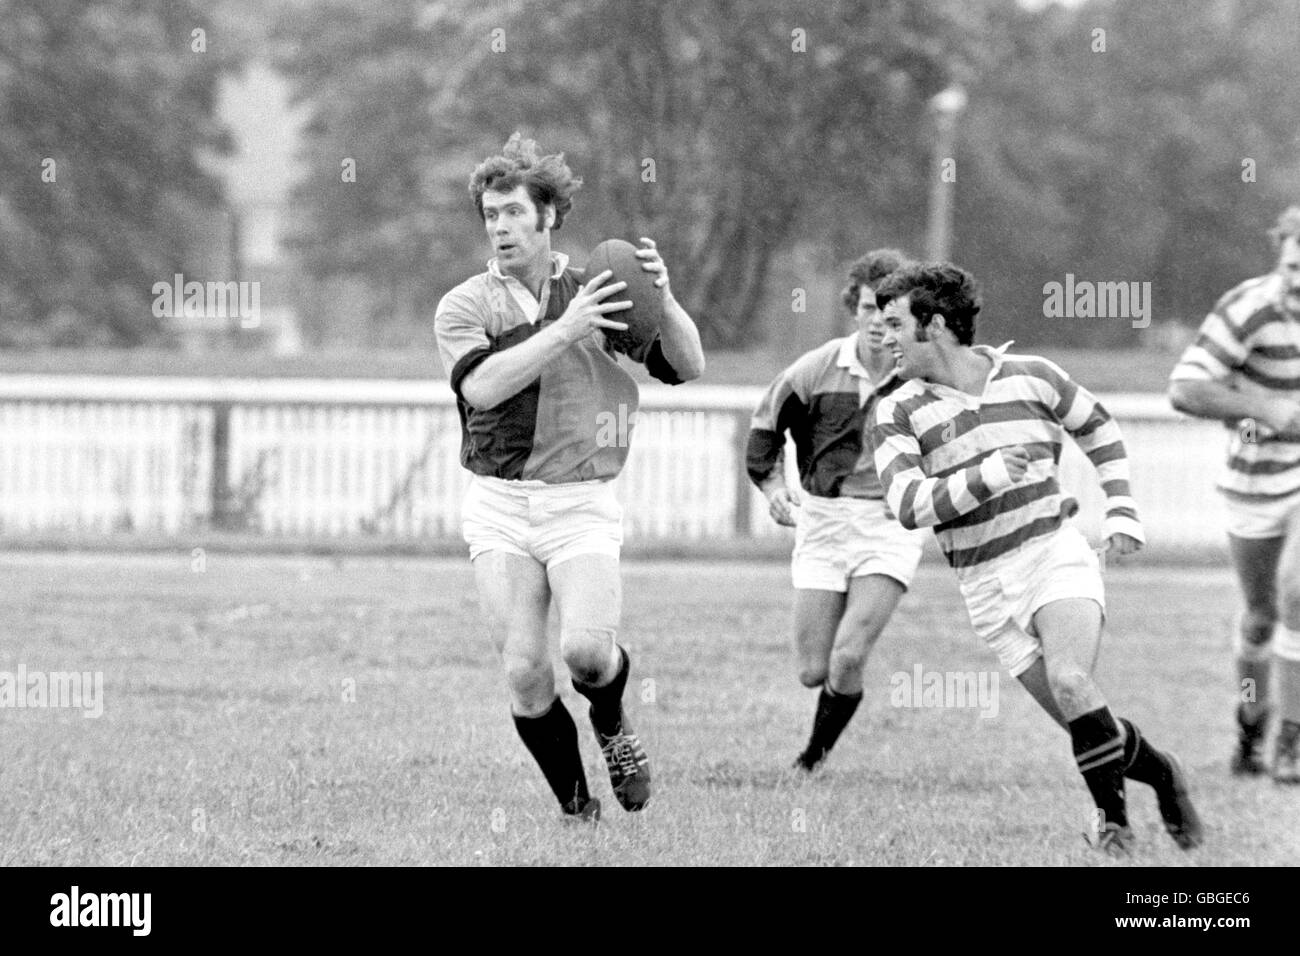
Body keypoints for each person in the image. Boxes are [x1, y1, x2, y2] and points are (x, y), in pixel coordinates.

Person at [868, 261, 1203, 853]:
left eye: (894, 323)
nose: (882, 336)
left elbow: (1098, 427)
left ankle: (1113, 829)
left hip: (1054, 552)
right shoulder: (895, 411)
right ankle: (1165, 774)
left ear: (935, 325)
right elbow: (909, 505)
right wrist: (989, 474)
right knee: (1088, 724)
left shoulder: (1033, 375)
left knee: (1073, 682)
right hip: (985, 586)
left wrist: (1122, 507)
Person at [434, 134, 705, 821]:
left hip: (581, 503)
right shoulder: (464, 306)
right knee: (525, 671)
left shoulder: (597, 289)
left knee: (585, 652)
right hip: (500, 506)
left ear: (548, 216)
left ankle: (612, 724)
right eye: (490, 214)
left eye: (514, 213)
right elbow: (486, 389)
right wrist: (565, 329)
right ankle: (578, 812)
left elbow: (686, 365)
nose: (499, 227)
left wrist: (664, 300)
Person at [747, 249, 925, 771]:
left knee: (848, 657)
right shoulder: (816, 368)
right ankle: (828, 722)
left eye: (891, 314)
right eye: (870, 308)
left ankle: (811, 760)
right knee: (812, 669)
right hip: (823, 522)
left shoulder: (921, 376)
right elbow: (763, 431)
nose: (878, 323)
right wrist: (774, 488)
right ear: (855, 308)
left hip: (889, 525)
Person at [1168, 205, 1300, 784]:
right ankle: (1251, 724)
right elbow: (1185, 388)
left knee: (1298, 596)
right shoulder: (1249, 309)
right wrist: (1260, 409)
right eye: (1292, 264)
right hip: (1255, 479)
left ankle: (1292, 744)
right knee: (1259, 617)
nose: (1297, 277)